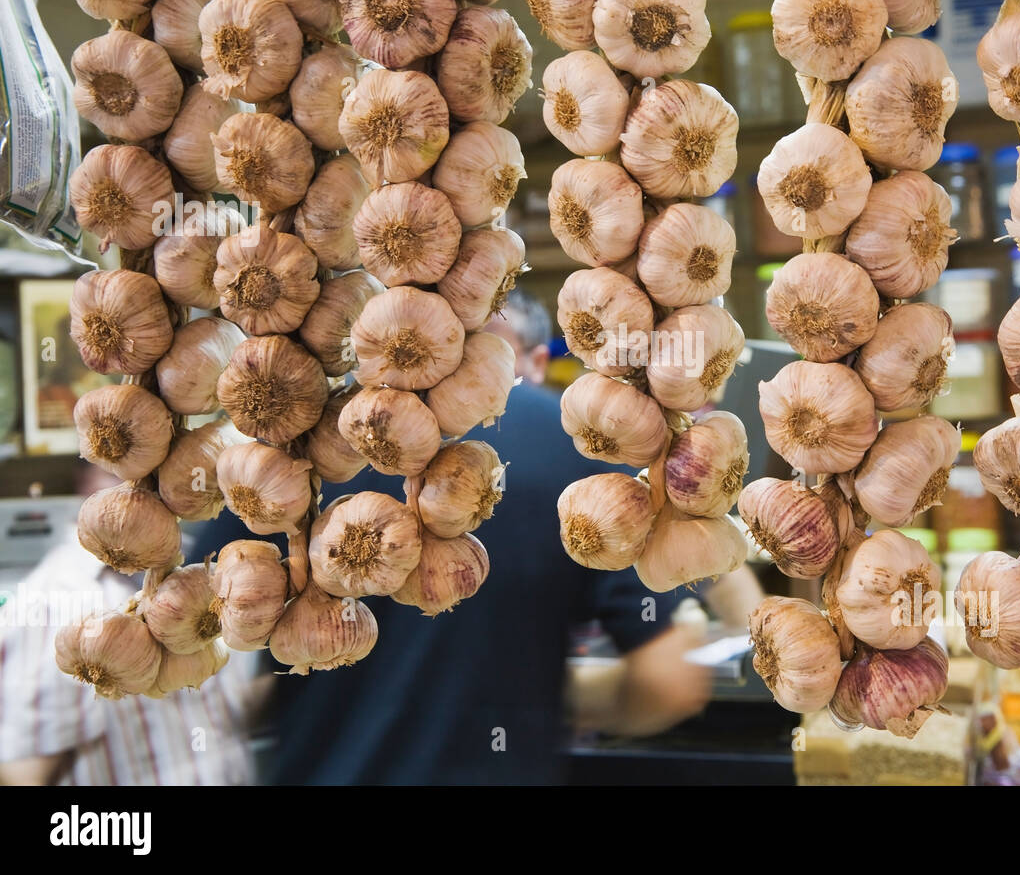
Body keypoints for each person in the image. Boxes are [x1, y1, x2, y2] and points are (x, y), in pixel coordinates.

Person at [189, 290, 710, 784]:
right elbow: (670, 684)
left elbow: (201, 648)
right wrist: (545, 703)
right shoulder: (574, 451)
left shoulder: (293, 443)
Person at [0, 466, 259, 786]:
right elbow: (24, 775)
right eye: (121, 478)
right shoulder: (52, 601)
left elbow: (237, 703)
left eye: (156, 478)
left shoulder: (199, 568)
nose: (143, 492)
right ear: (88, 486)